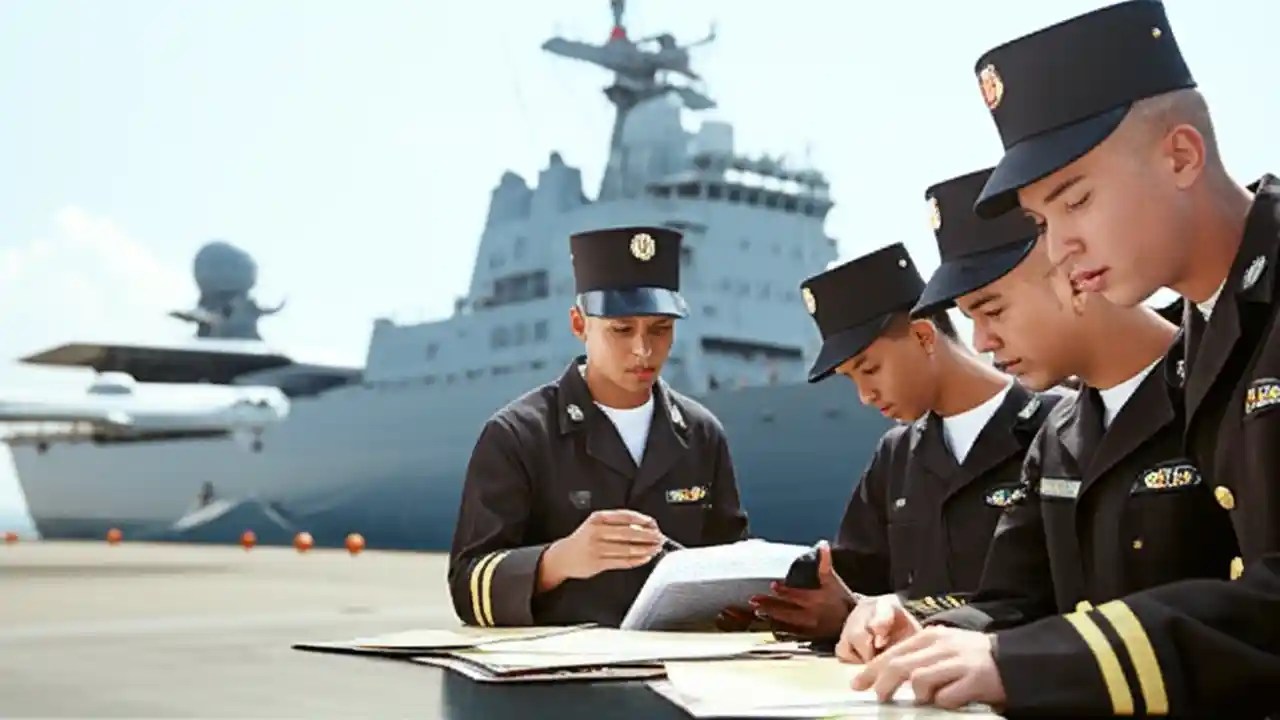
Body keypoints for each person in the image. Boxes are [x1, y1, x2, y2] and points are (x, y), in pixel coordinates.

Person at [838, 167, 1240, 715]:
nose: (981, 341)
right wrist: (926, 631)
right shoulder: (1058, 435)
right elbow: (1014, 600)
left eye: (993, 309)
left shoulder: (1221, 394)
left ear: (1074, 275)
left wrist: (1023, 663)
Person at [746, 240, 1060, 641]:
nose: (865, 395)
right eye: (852, 379)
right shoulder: (896, 455)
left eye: (870, 369)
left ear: (924, 336)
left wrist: (863, 612)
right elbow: (854, 578)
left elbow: (1058, 594)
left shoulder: (1057, 427)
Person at [446, 225, 749, 627]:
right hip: (559, 679)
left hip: (678, 674)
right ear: (579, 324)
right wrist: (558, 560)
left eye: (661, 329)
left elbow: (734, 567)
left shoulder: (701, 434)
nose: (643, 349)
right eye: (621, 329)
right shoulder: (518, 435)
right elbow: (469, 585)